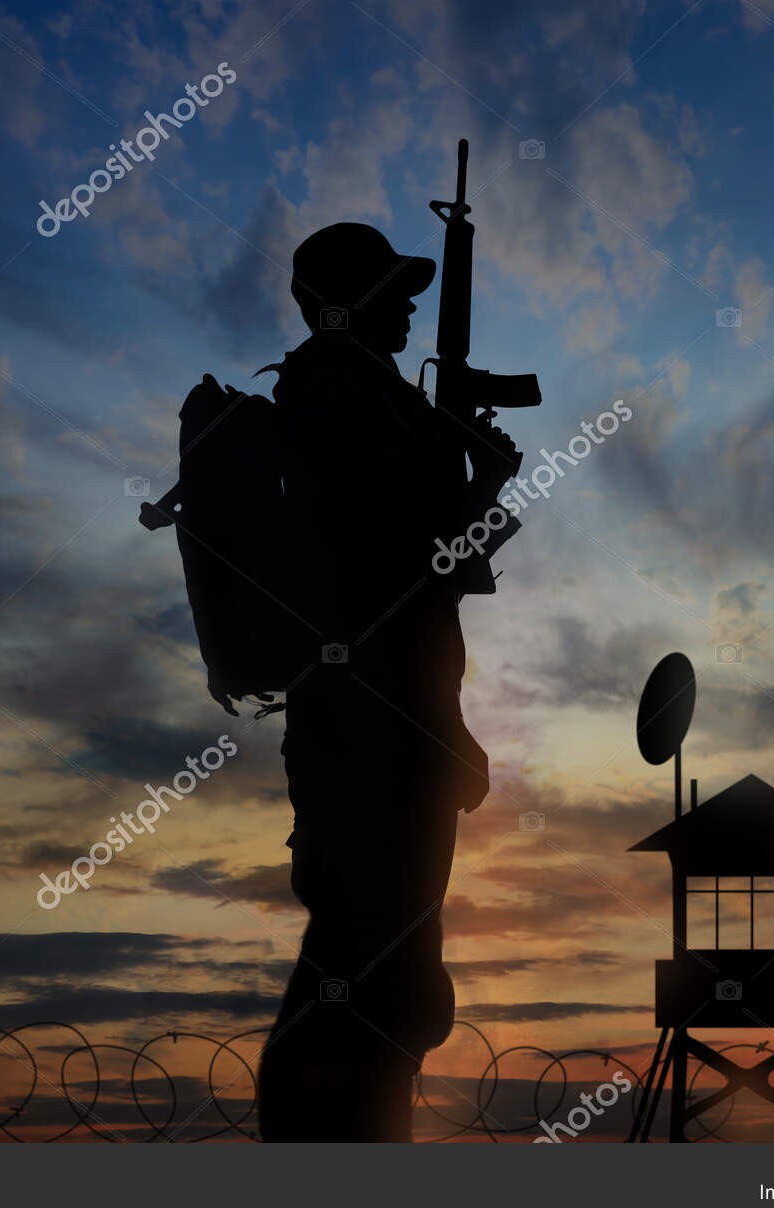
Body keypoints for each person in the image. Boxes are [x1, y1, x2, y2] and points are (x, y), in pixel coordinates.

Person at [255, 222, 523, 1141]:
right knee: (370, 972)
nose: (410, 304)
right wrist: (476, 484)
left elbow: (427, 574)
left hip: (398, 722)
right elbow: (391, 573)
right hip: (373, 730)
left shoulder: (366, 395)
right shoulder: (339, 395)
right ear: (344, 301)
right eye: (391, 290)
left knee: (389, 976)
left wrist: (472, 483)